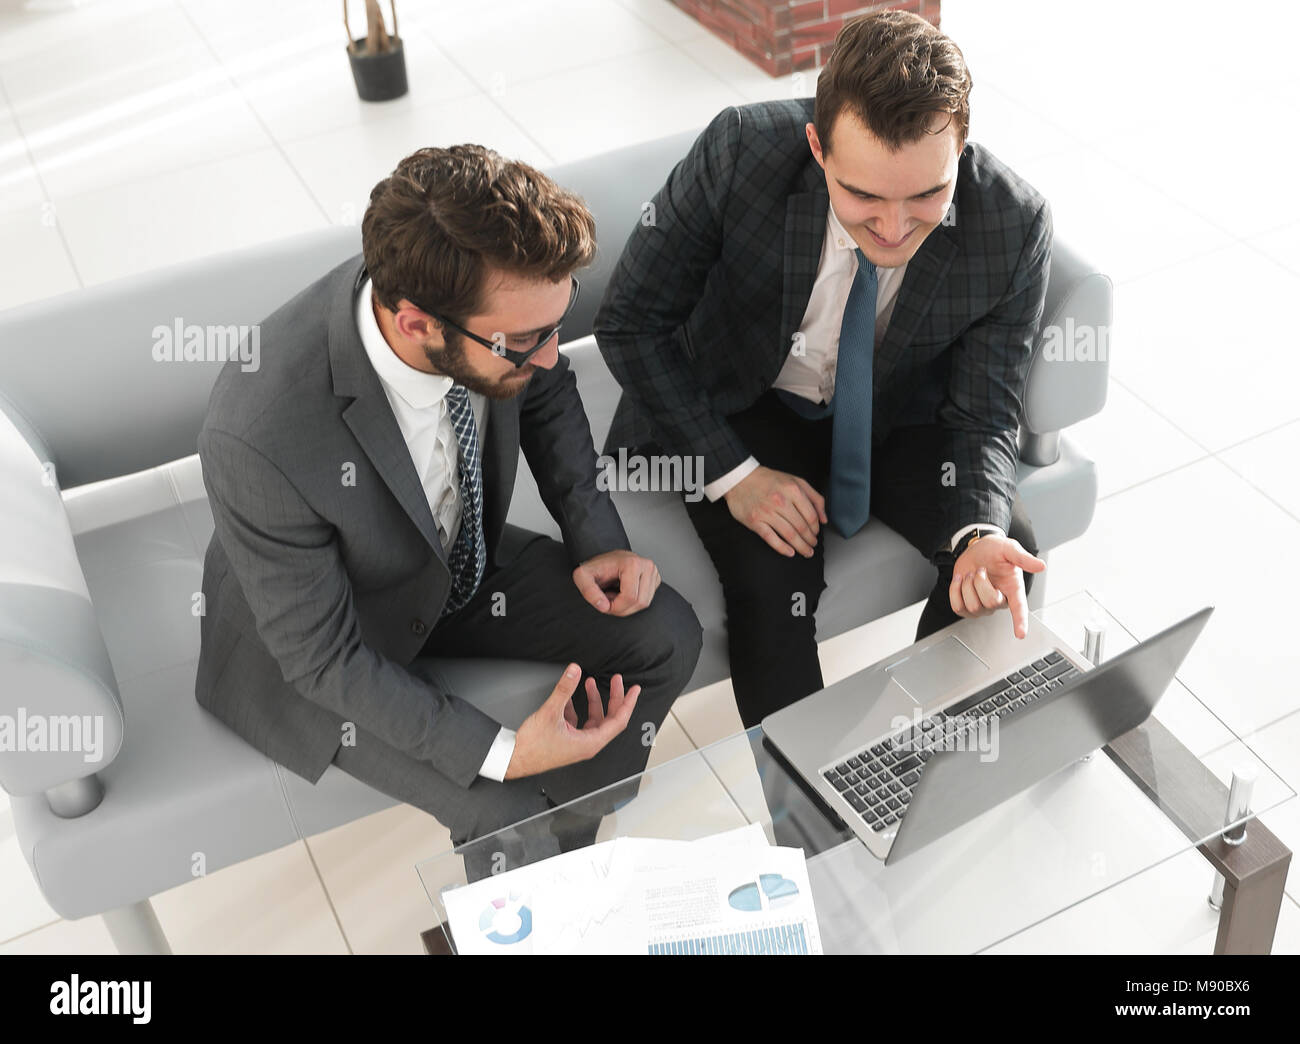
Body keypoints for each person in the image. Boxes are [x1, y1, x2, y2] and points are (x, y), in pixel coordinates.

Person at [195, 144, 703, 874]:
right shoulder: (257, 431)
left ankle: (566, 872)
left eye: (557, 327)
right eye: (528, 340)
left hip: (451, 562)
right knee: (506, 809)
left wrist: (595, 536)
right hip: (327, 641)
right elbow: (325, 660)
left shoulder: (497, 317)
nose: (553, 356)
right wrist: (507, 753)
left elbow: (547, 390)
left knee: (663, 635)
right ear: (414, 324)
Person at [594, 10, 1049, 728]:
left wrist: (977, 533)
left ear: (959, 150)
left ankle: (926, 766)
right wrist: (734, 476)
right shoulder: (741, 151)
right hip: (750, 401)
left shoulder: (1015, 223)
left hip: (897, 410)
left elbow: (985, 412)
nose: (895, 229)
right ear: (816, 146)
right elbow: (630, 324)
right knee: (770, 589)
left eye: (927, 195)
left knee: (1003, 553)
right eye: (865, 196)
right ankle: (812, 827)